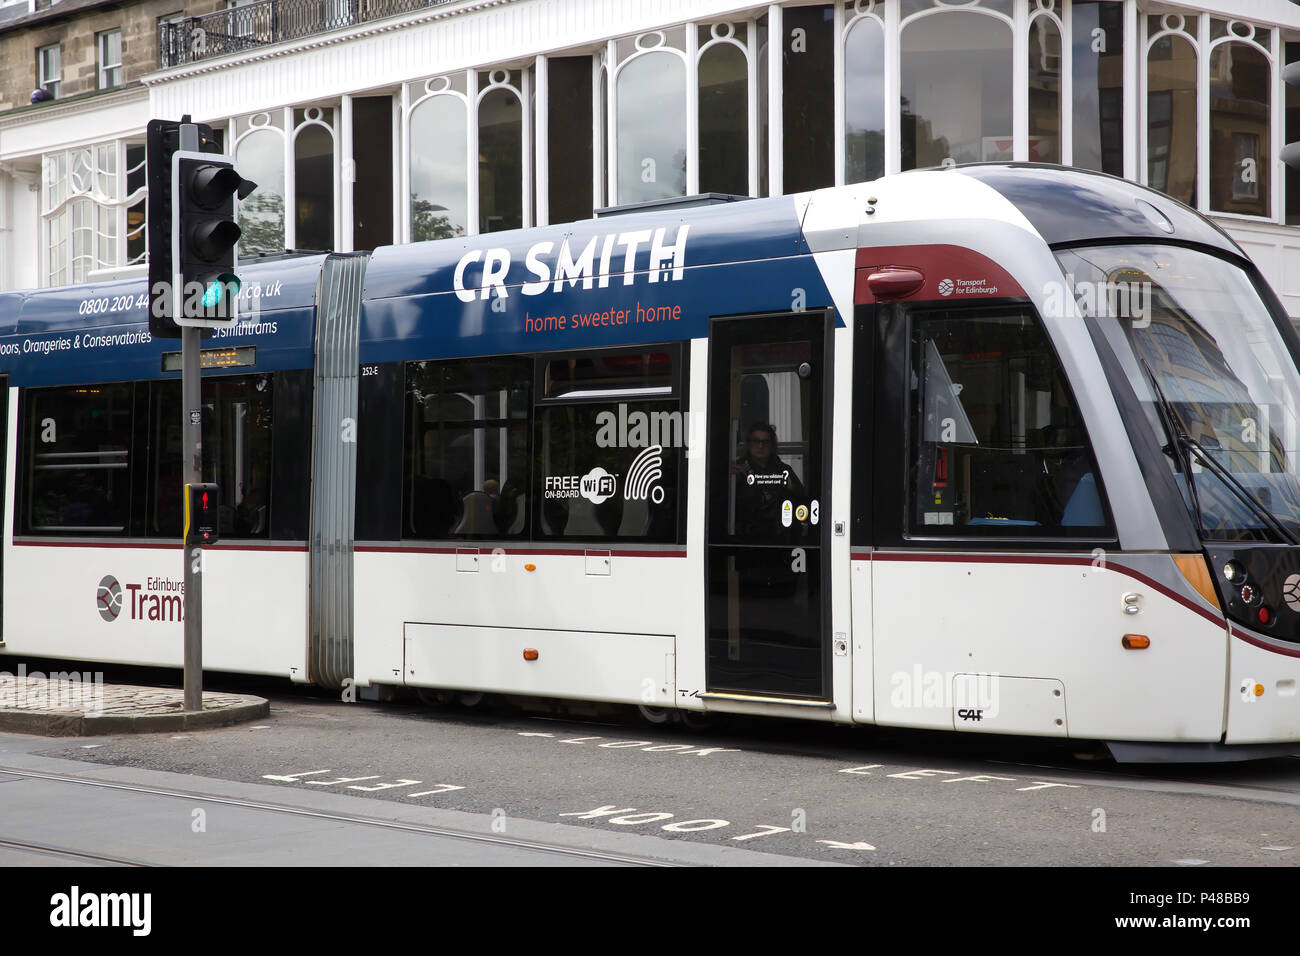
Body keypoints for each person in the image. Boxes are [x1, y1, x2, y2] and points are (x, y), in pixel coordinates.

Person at [732, 422, 806, 540]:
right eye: (756, 441)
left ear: (772, 445)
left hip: (781, 538)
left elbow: (804, 503)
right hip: (747, 539)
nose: (760, 446)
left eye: (765, 442)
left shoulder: (784, 470)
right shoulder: (738, 470)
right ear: (749, 443)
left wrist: (793, 489)